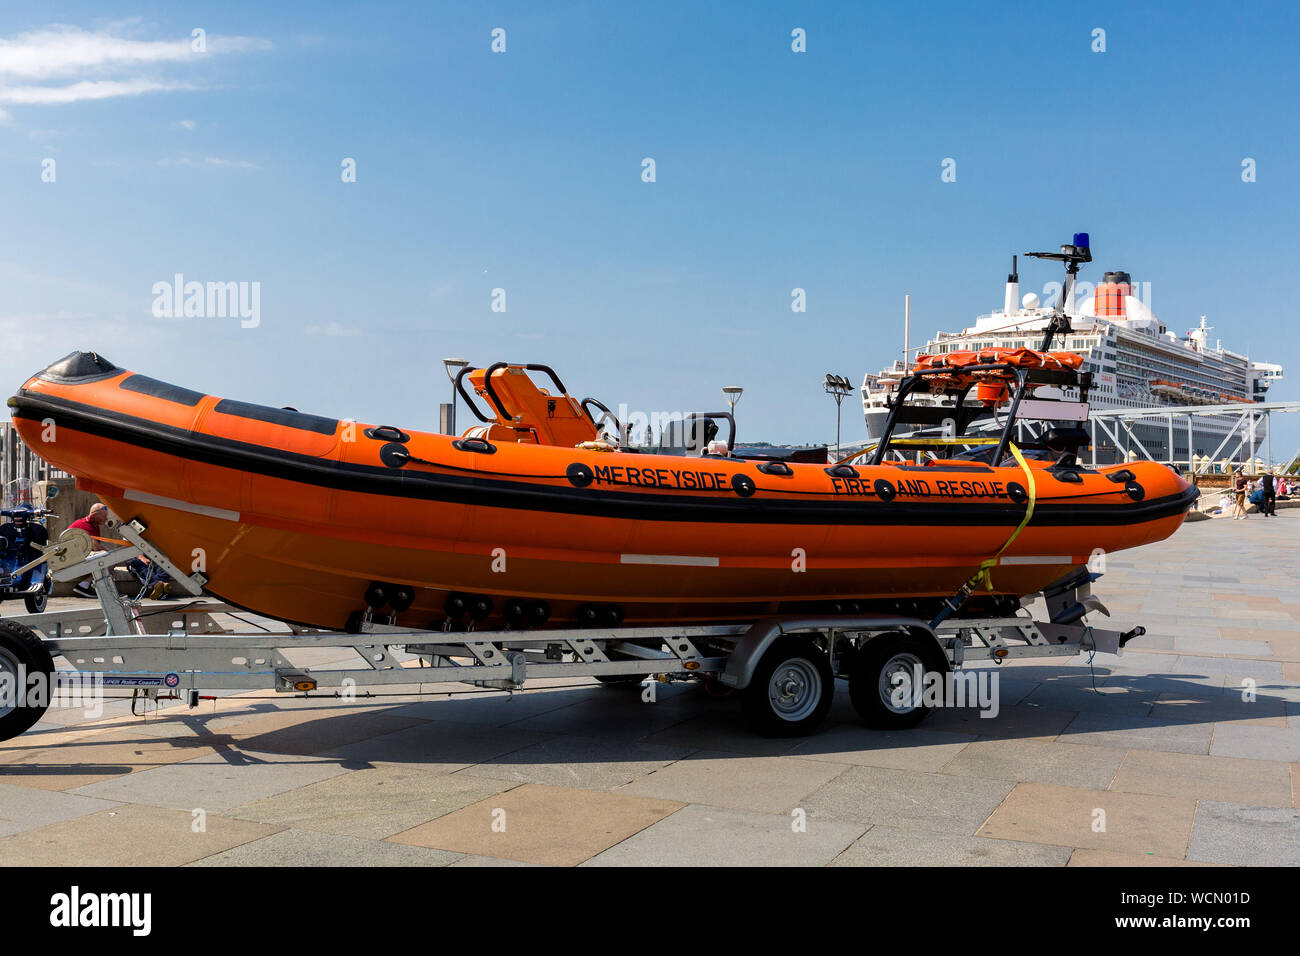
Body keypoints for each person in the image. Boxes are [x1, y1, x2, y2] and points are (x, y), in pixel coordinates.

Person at [68, 503, 108, 598]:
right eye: (104, 516)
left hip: (83, 554)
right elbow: (95, 547)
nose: (106, 519)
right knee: (109, 558)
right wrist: (109, 551)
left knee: (109, 558)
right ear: (94, 515)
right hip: (74, 557)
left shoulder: (95, 526)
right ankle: (83, 585)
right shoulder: (83, 525)